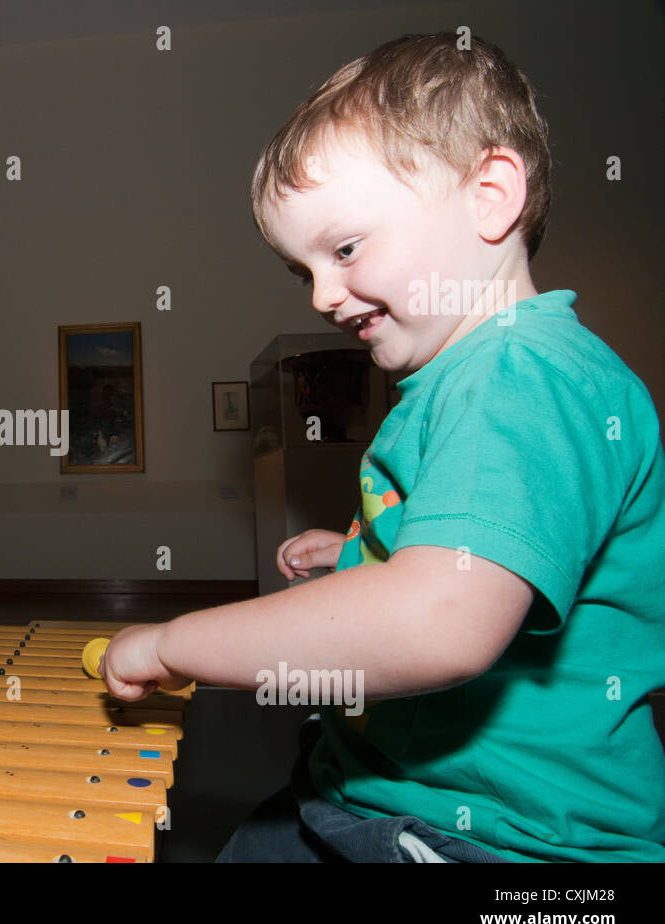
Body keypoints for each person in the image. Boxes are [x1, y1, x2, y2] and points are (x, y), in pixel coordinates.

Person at [101, 32, 665, 861]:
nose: (326, 295)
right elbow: (470, 554)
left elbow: (441, 619)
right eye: (305, 272)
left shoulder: (522, 373)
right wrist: (370, 552)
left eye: (346, 249)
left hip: (506, 845)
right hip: (372, 792)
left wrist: (172, 643)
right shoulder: (468, 376)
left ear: (489, 195)